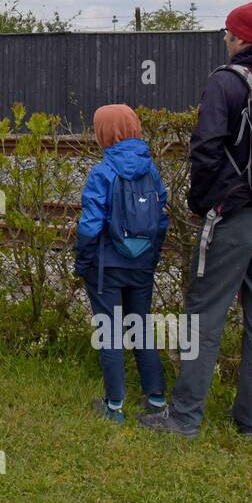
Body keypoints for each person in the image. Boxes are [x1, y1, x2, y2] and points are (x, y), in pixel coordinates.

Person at [140, 1, 252, 437]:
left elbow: (206, 147)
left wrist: (206, 204)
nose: (224, 37)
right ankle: (249, 422)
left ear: (240, 38)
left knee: (205, 311)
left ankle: (184, 418)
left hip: (238, 214)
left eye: (227, 32)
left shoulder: (227, 81)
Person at [74, 105, 169, 423]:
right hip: (141, 265)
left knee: (110, 332)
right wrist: (151, 259)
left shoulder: (103, 172)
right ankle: (156, 400)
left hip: (107, 266)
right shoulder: (151, 170)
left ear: (105, 133)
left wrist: (83, 263)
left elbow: (90, 225)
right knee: (140, 327)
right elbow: (161, 220)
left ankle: (114, 407)